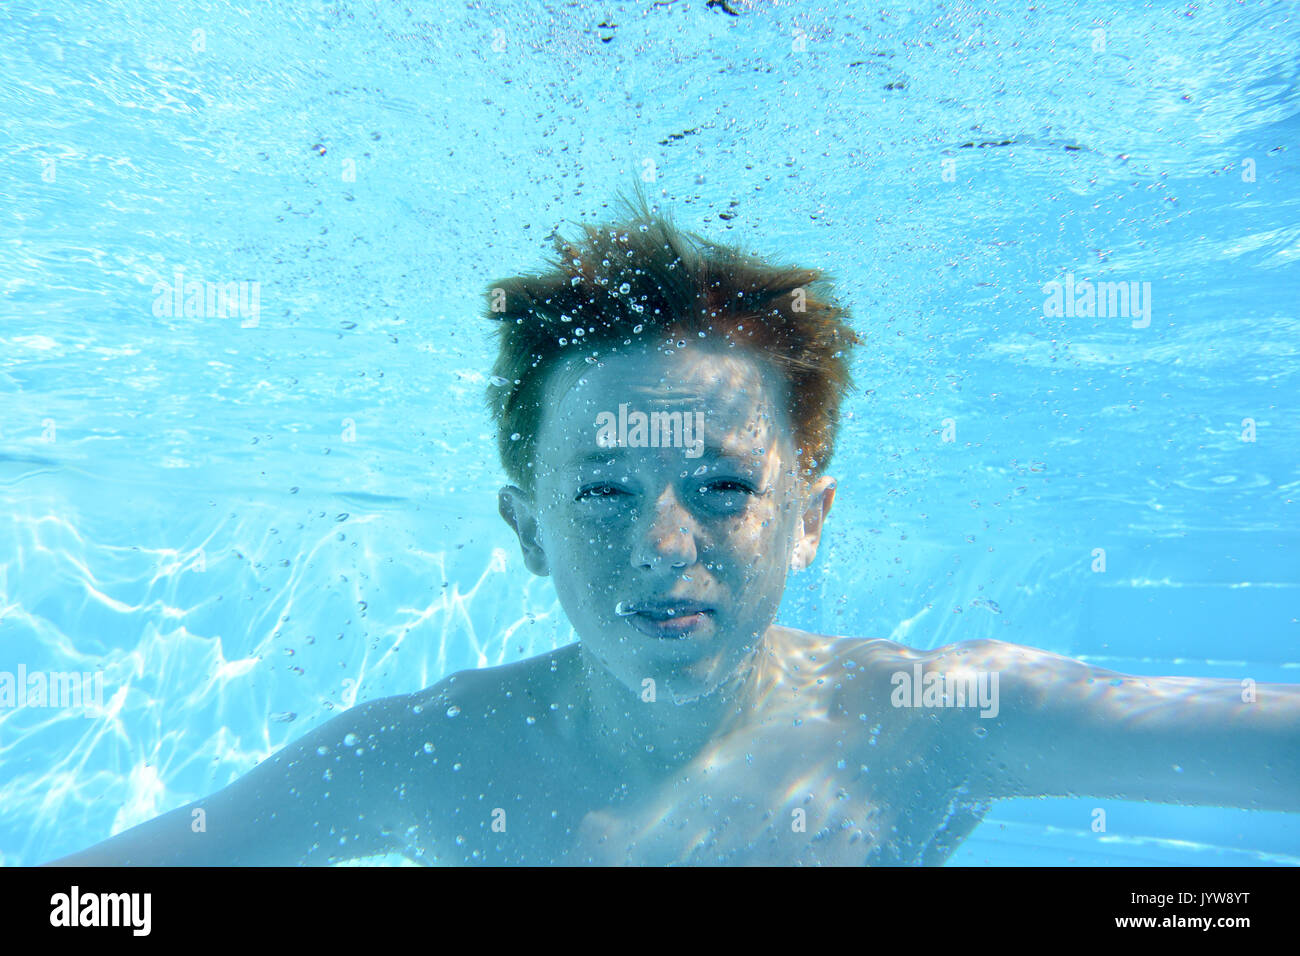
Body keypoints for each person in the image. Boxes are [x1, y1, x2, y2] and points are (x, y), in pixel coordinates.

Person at [48, 191, 1300, 866]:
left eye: (721, 486)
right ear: (527, 527)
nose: (660, 539)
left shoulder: (932, 725)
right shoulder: (427, 755)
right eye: (599, 490)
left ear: (809, 517)